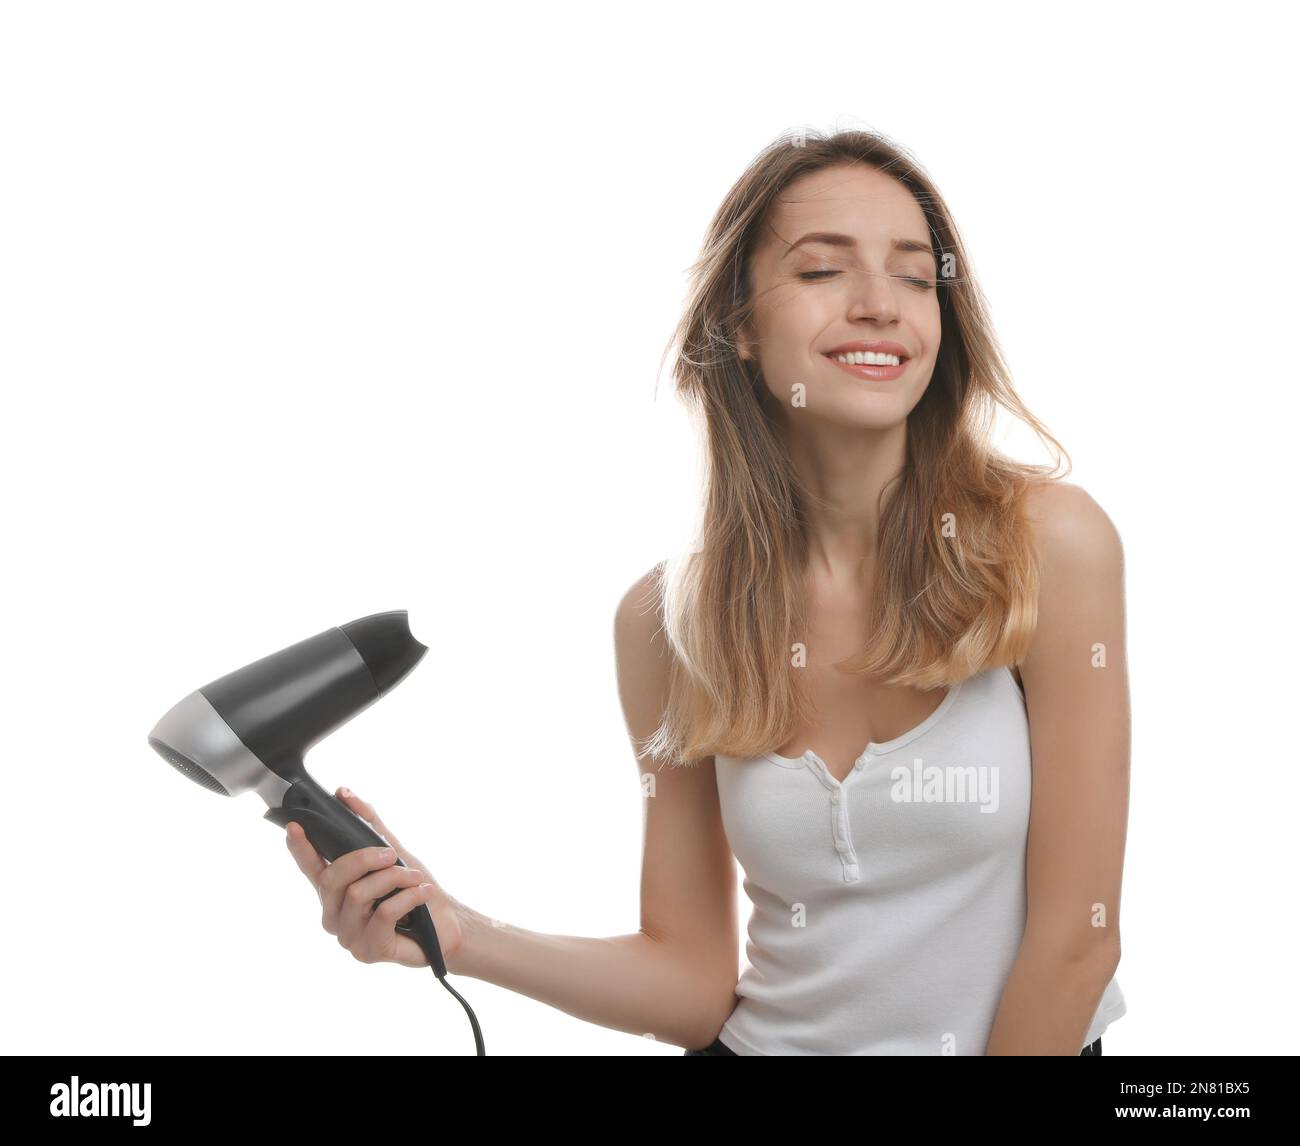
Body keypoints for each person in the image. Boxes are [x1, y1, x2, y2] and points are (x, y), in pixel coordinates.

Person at [284, 128, 1129, 1056]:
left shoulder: (1045, 545)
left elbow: (1076, 943)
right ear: (739, 325)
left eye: (916, 277)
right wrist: (461, 933)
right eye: (822, 272)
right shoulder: (668, 623)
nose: (881, 305)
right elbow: (690, 982)